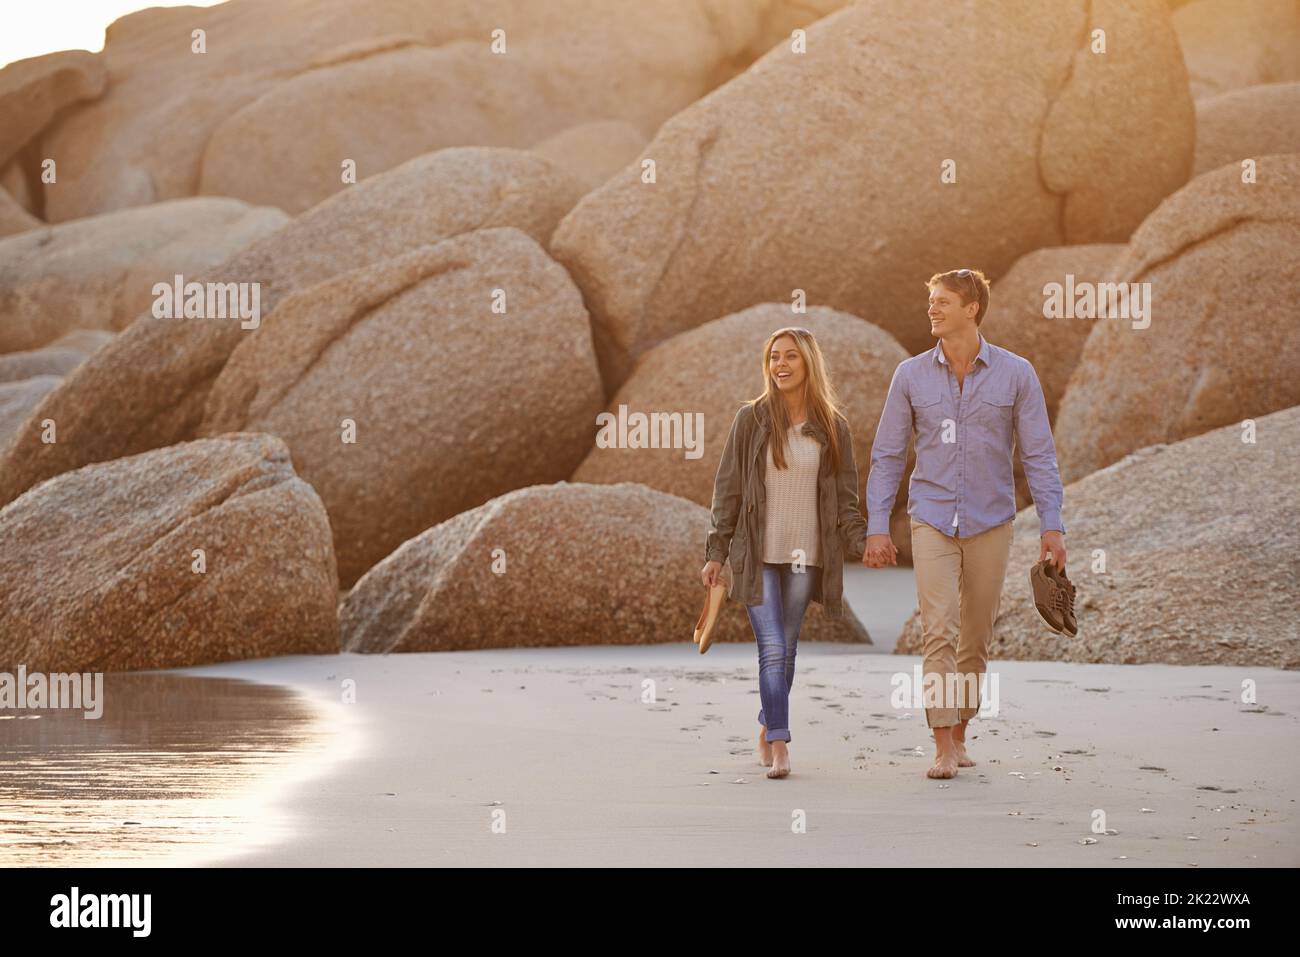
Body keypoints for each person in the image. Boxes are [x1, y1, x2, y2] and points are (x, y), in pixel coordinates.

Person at [864, 268, 1067, 780]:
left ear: (971, 308)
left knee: (975, 637)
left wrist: (1052, 526)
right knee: (939, 631)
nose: (932, 309)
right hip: (930, 517)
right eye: (931, 300)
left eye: (943, 301)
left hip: (991, 519)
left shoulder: (1016, 373)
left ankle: (960, 731)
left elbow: (1039, 453)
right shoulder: (909, 375)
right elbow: (887, 455)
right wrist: (877, 526)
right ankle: (942, 744)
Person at [702, 326, 870, 779]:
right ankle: (780, 742)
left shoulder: (833, 428)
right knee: (772, 648)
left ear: (808, 363)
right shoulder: (750, 420)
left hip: (805, 556)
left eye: (791, 356)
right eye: (774, 356)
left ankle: (765, 721)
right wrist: (716, 551)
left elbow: (847, 500)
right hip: (756, 554)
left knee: (788, 649)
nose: (780, 364)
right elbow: (728, 490)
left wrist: (864, 542)